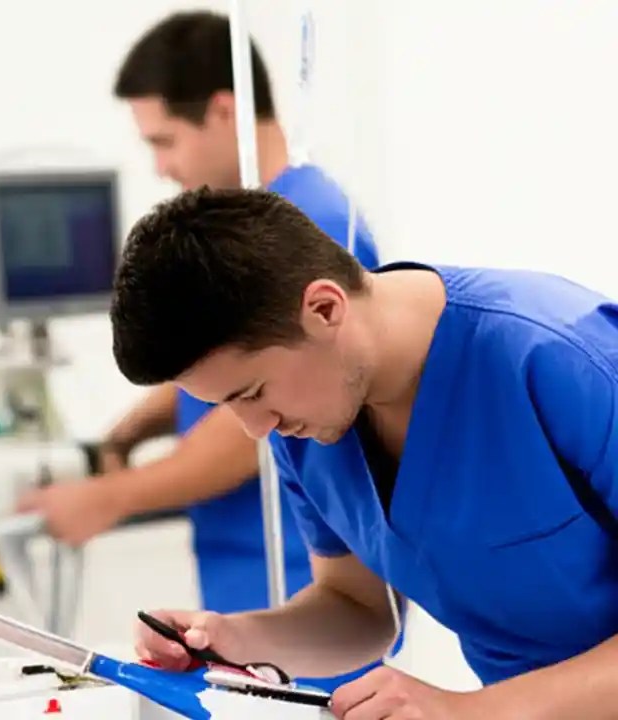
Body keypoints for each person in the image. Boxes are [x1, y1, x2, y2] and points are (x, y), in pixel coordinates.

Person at [119, 186, 618, 717]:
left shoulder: (565, 360)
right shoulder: (308, 428)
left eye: (253, 392)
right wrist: (235, 637)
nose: (256, 428)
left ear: (325, 308)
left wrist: (468, 711)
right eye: (227, 405)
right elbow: (358, 606)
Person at [15, 10, 387, 687]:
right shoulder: (251, 225)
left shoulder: (308, 225)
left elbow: (245, 431)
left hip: (306, 587)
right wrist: (134, 429)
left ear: (223, 111)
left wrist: (108, 498)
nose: (160, 166)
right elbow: (217, 367)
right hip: (241, 576)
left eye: (165, 140)